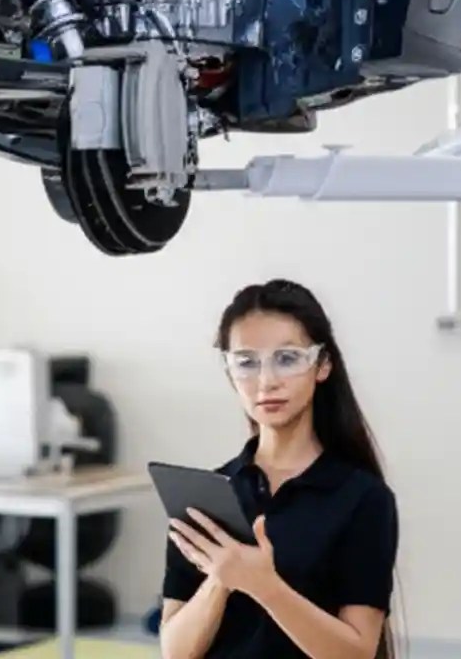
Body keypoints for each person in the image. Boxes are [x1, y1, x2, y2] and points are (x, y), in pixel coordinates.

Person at [159, 279, 400, 659]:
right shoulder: (207, 495)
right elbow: (175, 652)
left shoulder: (363, 498)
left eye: (287, 358)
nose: (266, 381)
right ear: (229, 372)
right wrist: (222, 578)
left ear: (322, 365)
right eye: (246, 362)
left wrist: (265, 586)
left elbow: (356, 653)